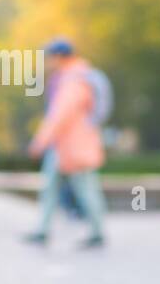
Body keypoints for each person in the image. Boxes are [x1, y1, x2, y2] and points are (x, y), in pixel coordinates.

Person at [23, 39, 106, 248]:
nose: (48, 62)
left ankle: (97, 232)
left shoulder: (74, 81)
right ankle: (43, 230)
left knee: (85, 189)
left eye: (50, 57)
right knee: (52, 187)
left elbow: (60, 115)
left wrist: (40, 141)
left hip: (72, 146)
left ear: (60, 56)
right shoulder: (73, 77)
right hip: (65, 146)